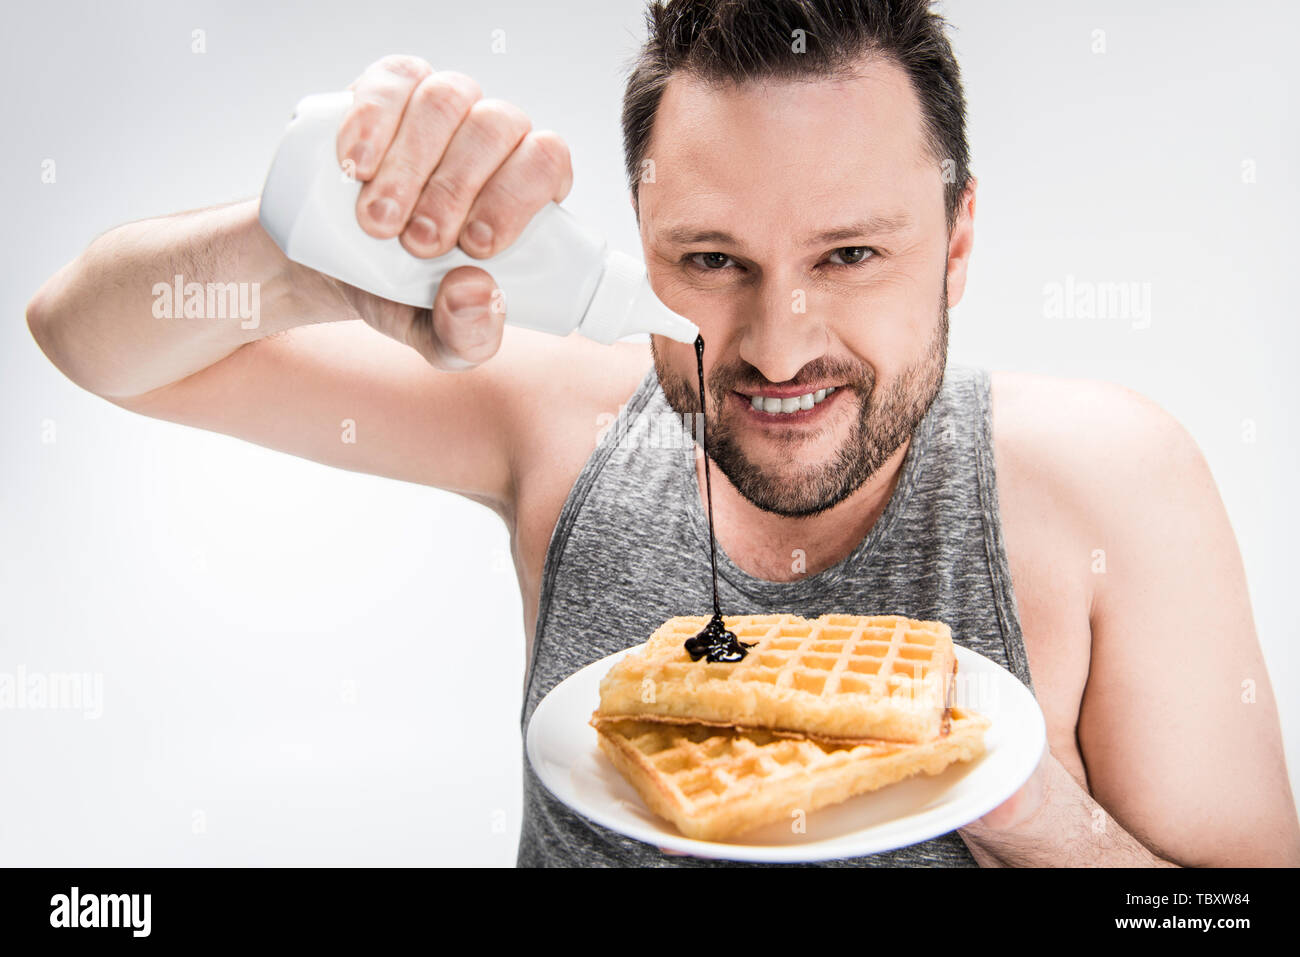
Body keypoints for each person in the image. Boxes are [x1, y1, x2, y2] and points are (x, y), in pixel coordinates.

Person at [26, 0, 1299, 867]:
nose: (779, 342)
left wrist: (1033, 818)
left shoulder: (1107, 486)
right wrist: (307, 256)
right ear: (640, 245)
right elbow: (89, 342)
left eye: (851, 253)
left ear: (957, 242)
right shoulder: (559, 418)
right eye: (709, 258)